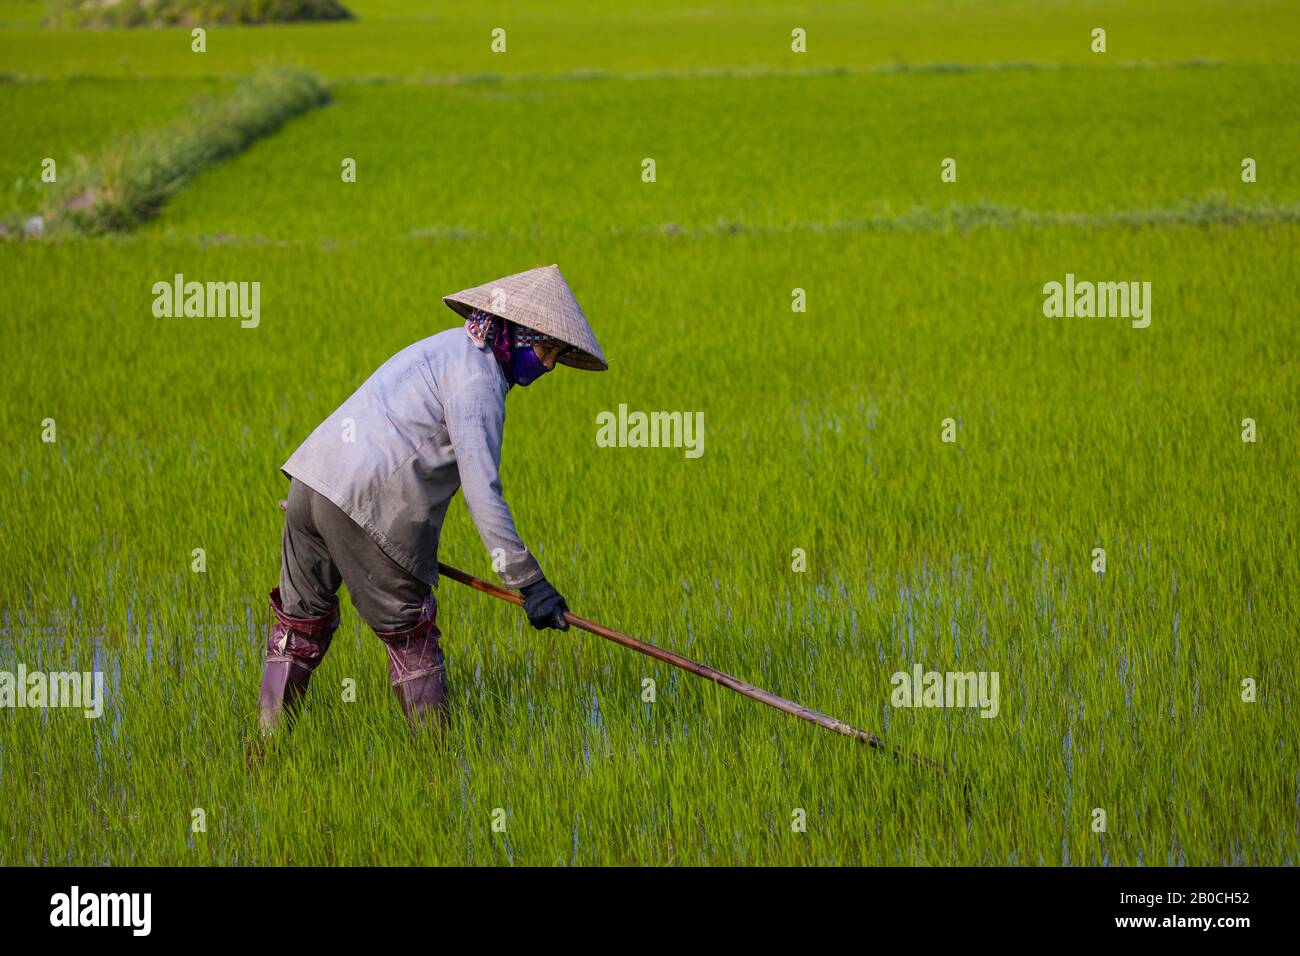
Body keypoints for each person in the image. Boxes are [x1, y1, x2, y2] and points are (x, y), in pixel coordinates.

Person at [255, 264, 607, 740]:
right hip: (368, 504)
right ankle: (437, 771)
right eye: (545, 350)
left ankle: (263, 747)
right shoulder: (478, 381)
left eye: (557, 355)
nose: (547, 365)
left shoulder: (443, 348)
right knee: (412, 637)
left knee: (300, 626)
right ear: (516, 336)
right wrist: (530, 583)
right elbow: (484, 492)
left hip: (310, 485)